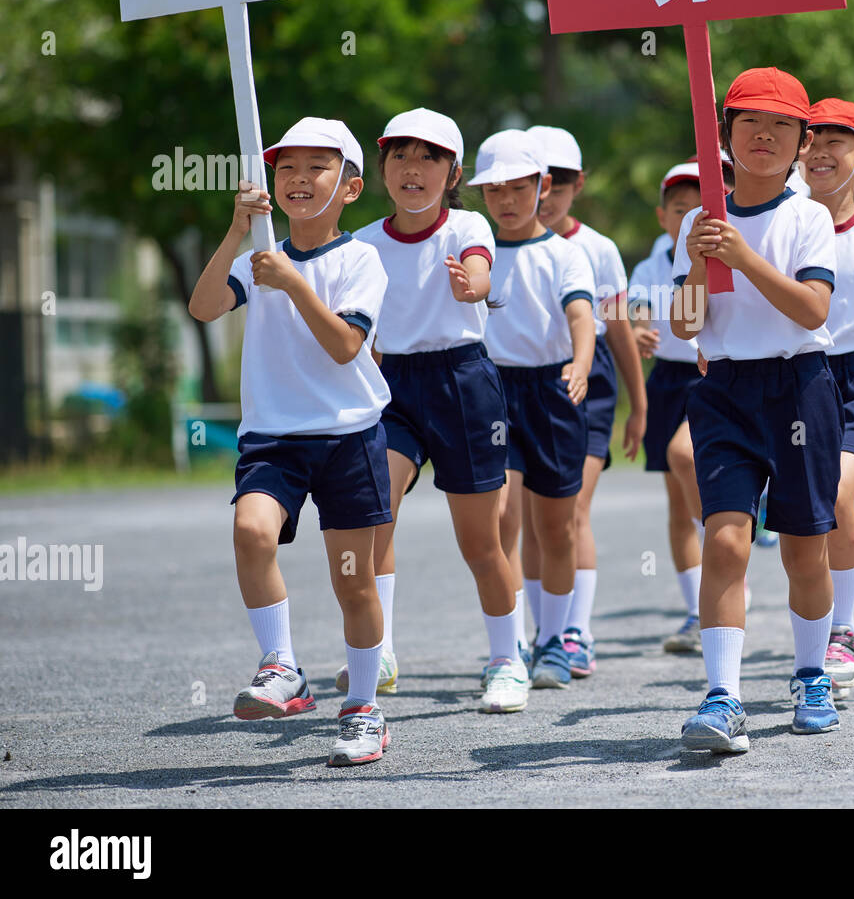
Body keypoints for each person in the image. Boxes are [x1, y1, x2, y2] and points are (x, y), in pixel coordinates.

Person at [188, 117, 392, 766]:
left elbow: (344, 346)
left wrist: (291, 281)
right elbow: (203, 307)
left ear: (352, 188)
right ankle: (283, 665)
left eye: (317, 167)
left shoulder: (360, 259)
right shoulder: (259, 256)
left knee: (353, 582)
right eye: (287, 169)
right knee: (251, 531)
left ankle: (364, 707)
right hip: (274, 437)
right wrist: (234, 231)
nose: (299, 179)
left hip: (349, 434)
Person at [671, 66, 845, 754]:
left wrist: (741, 255)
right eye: (749, 123)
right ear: (725, 134)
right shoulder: (698, 218)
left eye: (781, 126)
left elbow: (813, 308)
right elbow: (686, 326)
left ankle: (810, 674)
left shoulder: (808, 216)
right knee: (726, 538)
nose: (764, 136)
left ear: (802, 141)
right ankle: (722, 695)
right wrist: (695, 266)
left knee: (804, 547)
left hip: (801, 386)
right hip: (724, 392)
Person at [347, 108, 526, 714]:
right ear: (382, 170)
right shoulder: (365, 242)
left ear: (452, 173)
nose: (412, 169)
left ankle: (507, 659)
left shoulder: (467, 226)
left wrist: (470, 285)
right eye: (399, 156)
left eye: (428, 157)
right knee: (375, 515)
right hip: (391, 383)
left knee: (479, 542)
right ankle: (383, 647)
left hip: (462, 381)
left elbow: (478, 271)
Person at [470, 129, 596, 689]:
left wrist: (582, 362)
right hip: (491, 390)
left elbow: (580, 316)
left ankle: (555, 638)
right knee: (498, 516)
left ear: (542, 187)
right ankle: (511, 641)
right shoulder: (476, 252)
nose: (506, 199)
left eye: (518, 187)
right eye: (494, 190)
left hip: (552, 391)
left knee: (558, 528)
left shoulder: (565, 253)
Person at [525, 124, 648, 677]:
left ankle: (576, 629)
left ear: (579, 183)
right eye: (538, 182)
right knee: (528, 517)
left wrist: (639, 404)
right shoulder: (494, 243)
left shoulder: (596, 248)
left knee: (572, 507)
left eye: (562, 181)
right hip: (521, 380)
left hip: (589, 380)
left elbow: (618, 327)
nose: (549, 194)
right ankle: (542, 632)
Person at [629, 161, 708, 653]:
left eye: (695, 206)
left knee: (694, 464)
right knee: (678, 504)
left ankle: (736, 531)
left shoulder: (720, 246)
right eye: (678, 208)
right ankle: (697, 612)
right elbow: (635, 305)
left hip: (713, 372)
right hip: (668, 381)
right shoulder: (651, 263)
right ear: (662, 216)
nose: (687, 216)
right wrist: (638, 327)